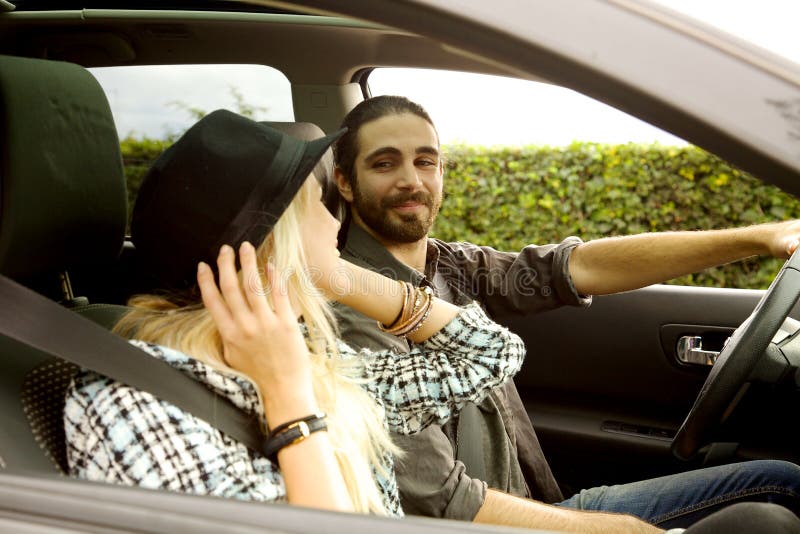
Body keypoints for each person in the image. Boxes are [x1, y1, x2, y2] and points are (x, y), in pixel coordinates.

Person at [330, 95, 800, 531]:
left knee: (784, 483)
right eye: (385, 163)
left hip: (537, 504)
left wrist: (762, 238)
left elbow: (579, 266)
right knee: (771, 516)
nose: (411, 179)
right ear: (345, 182)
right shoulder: (350, 314)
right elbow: (445, 504)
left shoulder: (450, 266)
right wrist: (627, 530)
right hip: (495, 525)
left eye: (425, 161)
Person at [63, 109, 533, 519]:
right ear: (271, 248)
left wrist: (341, 277)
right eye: (317, 205)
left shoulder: (322, 366)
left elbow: (493, 354)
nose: (335, 220)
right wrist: (289, 402)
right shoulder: (139, 406)